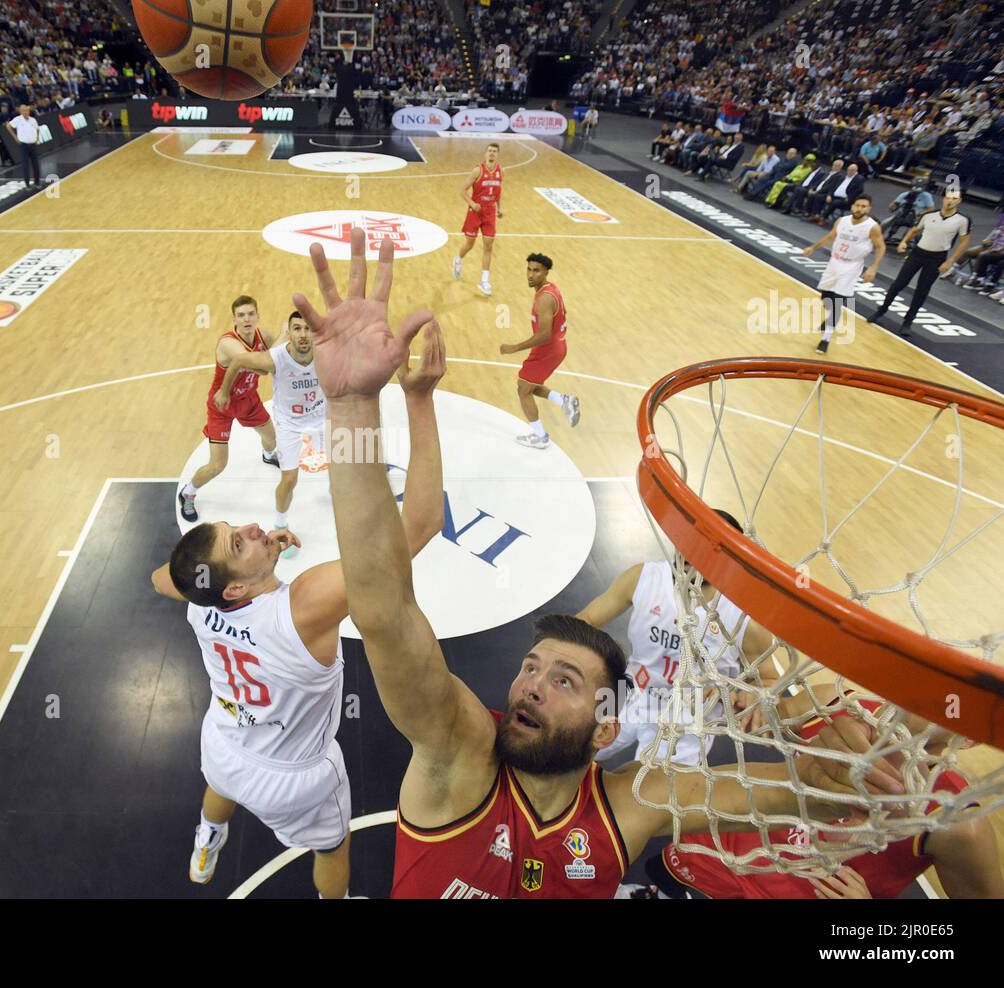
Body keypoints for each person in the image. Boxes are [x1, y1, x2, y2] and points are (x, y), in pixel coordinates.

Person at [291, 229, 876, 898]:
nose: (529, 685)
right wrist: (352, 408)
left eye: (563, 679)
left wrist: (837, 750)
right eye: (531, 668)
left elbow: (810, 796)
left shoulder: (631, 806)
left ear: (606, 725)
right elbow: (385, 611)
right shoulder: (458, 754)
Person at [149, 334, 447, 898]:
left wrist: (253, 565)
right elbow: (422, 524)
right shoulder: (306, 605)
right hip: (297, 778)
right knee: (334, 851)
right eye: (241, 544)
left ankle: (206, 842)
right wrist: (419, 400)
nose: (256, 529)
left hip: (225, 741)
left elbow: (163, 579)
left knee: (220, 786)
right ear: (234, 588)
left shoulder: (199, 600)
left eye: (239, 528)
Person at [660, 699, 1004, 899]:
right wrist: (744, 700)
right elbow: (758, 708)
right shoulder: (835, 702)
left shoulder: (958, 823)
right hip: (709, 856)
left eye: (950, 696)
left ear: (968, 738)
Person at [577, 518, 775, 766]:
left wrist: (751, 694)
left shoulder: (744, 617)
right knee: (567, 749)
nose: (692, 556)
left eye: (707, 552)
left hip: (689, 719)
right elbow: (585, 620)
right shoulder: (643, 578)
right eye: (690, 544)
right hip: (630, 692)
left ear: (729, 558)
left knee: (648, 795)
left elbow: (768, 679)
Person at [212, 312, 324, 556]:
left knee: (347, 462)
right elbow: (239, 361)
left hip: (320, 417)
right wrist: (224, 391)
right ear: (289, 333)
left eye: (307, 329)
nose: (303, 334)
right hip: (290, 423)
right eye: (297, 329)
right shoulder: (276, 359)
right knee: (289, 479)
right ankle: (281, 523)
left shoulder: (327, 353)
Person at [179, 296, 280, 522]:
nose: (246, 319)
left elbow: (281, 352)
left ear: (257, 316)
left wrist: (289, 335)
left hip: (248, 400)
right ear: (234, 319)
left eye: (250, 314)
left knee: (272, 440)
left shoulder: (264, 336)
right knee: (218, 465)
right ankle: (188, 492)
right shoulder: (228, 343)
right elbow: (261, 365)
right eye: (241, 315)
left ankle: (267, 455)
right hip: (222, 405)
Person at [499, 252, 579, 449]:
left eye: (536, 271)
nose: (530, 275)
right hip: (554, 347)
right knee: (529, 385)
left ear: (545, 273)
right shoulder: (552, 289)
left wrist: (513, 348)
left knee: (523, 390)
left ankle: (540, 436)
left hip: (548, 349)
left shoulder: (544, 299)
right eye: (529, 269)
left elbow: (544, 334)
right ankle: (564, 401)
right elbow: (563, 312)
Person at [870, 190, 972, 337]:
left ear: (959, 200)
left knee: (922, 290)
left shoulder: (962, 220)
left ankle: (908, 322)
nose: (950, 201)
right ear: (944, 198)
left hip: (937, 257)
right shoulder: (929, 215)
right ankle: (881, 311)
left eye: (954, 198)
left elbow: (964, 242)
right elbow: (914, 230)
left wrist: (950, 261)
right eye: (948, 197)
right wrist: (904, 241)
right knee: (898, 284)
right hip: (918, 253)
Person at [802, 194, 885, 354]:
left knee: (837, 302)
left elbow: (881, 247)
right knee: (826, 297)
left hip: (851, 266)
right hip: (835, 262)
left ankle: (825, 339)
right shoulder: (842, 221)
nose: (859, 208)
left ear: (869, 209)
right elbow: (831, 236)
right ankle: (829, 319)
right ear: (853, 205)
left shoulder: (872, 227)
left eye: (863, 206)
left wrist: (873, 268)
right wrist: (813, 247)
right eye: (857, 205)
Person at [453, 142, 503, 297]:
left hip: (490, 212)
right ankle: (458, 259)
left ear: (498, 154)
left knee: (488, 246)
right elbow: (462, 191)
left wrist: (499, 207)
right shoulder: (477, 171)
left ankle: (484, 281)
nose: (492, 153)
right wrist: (472, 204)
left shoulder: (501, 171)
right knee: (470, 243)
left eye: (494, 151)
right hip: (475, 211)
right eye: (489, 151)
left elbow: (498, 191)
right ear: (485, 153)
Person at [7, 104, 42, 186]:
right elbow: (8, 126)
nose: (26, 112)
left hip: (33, 144)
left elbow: (37, 129)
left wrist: (37, 138)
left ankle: (37, 182)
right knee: (25, 165)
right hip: (24, 145)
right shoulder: (18, 120)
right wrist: (15, 138)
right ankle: (27, 184)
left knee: (36, 164)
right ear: (21, 112)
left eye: (27, 110)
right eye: (24, 111)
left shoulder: (33, 120)